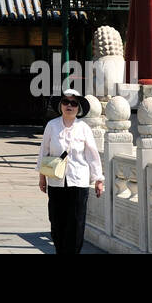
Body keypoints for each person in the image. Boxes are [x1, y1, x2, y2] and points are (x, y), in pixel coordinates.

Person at [36, 89, 104, 255]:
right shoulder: (52, 126)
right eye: (66, 102)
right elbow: (43, 152)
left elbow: (92, 155)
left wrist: (98, 179)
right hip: (55, 181)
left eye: (73, 103)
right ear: (60, 105)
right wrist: (42, 178)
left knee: (76, 223)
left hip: (78, 181)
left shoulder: (84, 128)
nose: (69, 106)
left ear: (78, 108)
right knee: (56, 221)